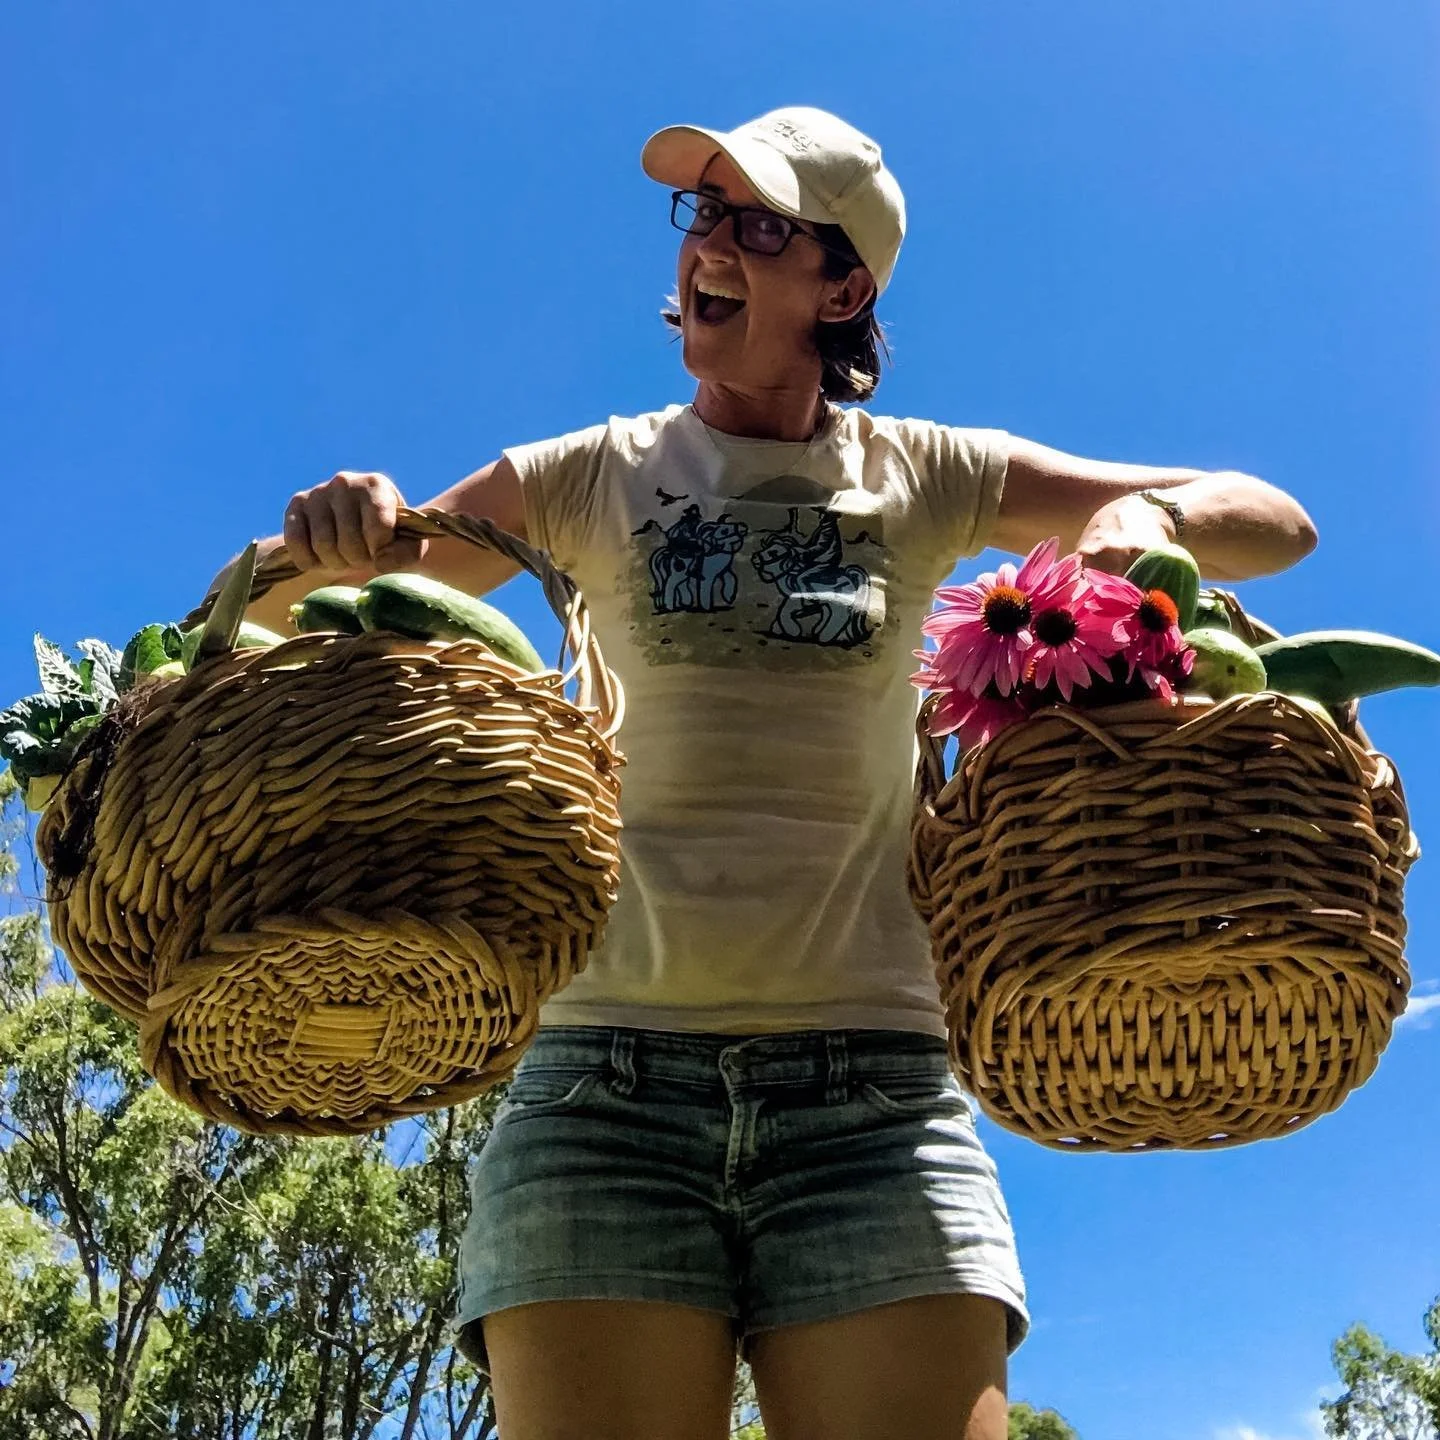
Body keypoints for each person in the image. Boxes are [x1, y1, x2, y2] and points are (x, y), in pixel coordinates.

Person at [227, 107, 1317, 1440]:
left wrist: (1146, 520)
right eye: (702, 217)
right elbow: (286, 614)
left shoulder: (928, 473)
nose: (709, 249)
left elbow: (1278, 522)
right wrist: (329, 543)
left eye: (757, 224)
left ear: (844, 285)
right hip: (595, 1088)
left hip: (878, 1098)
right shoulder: (586, 472)